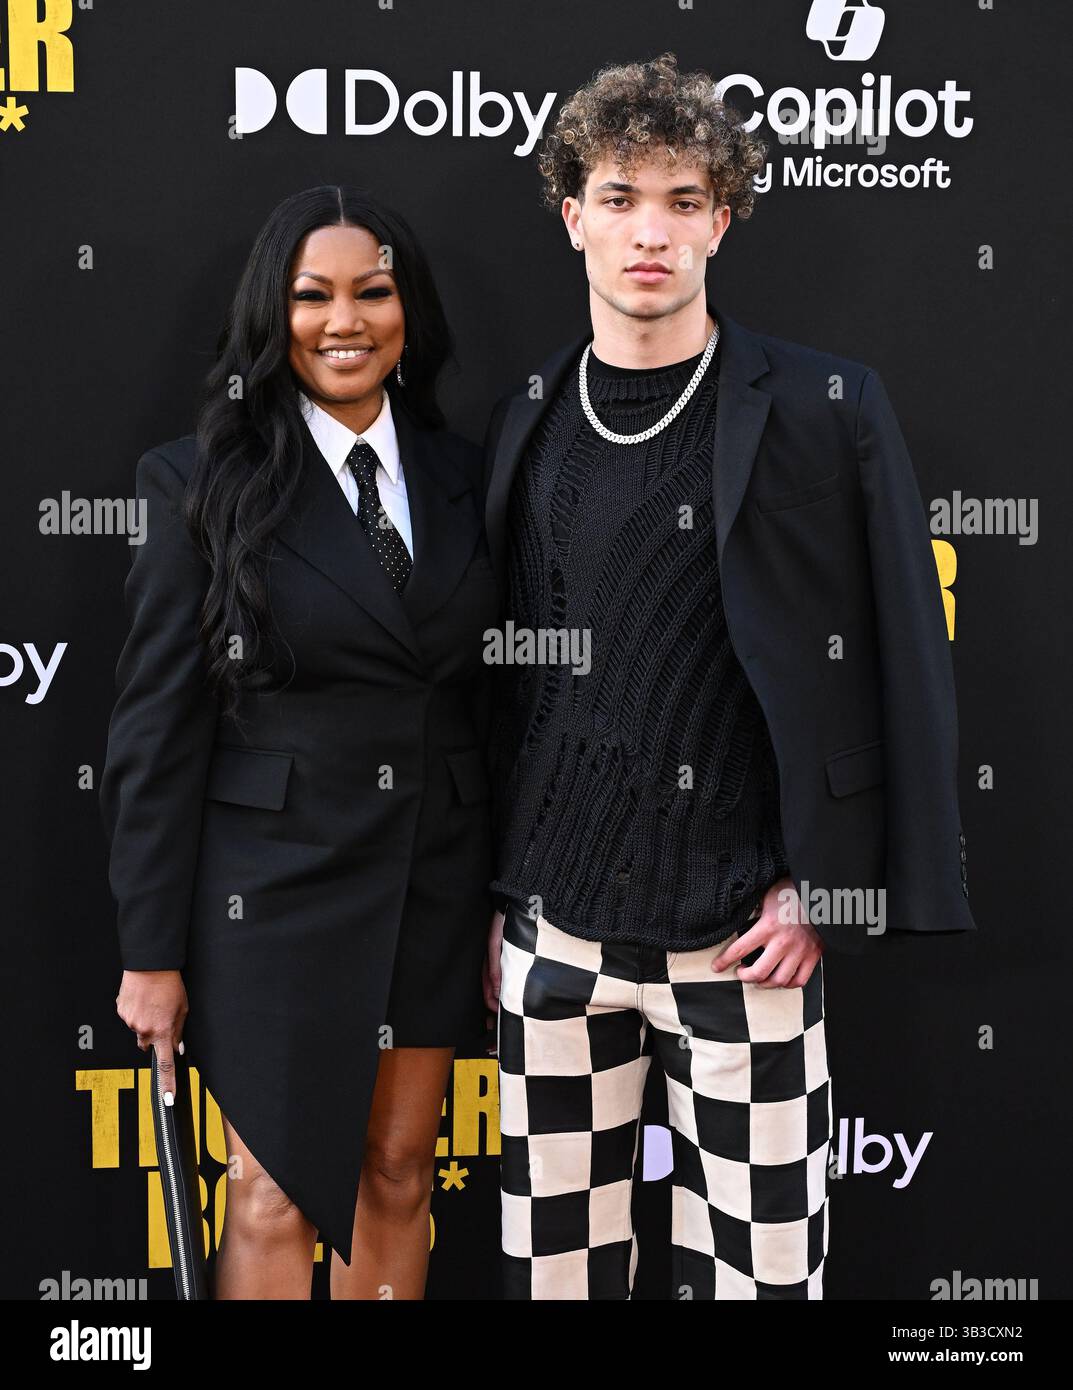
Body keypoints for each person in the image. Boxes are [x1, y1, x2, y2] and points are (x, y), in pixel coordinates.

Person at [480, 53, 976, 1300]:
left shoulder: (824, 405)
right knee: (554, 1278)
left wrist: (832, 886)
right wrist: (500, 895)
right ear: (570, 213)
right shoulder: (527, 413)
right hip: (554, 941)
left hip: (744, 942)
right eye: (618, 194)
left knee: (760, 1279)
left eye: (684, 199)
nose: (649, 229)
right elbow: (502, 677)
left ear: (722, 217)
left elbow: (901, 663)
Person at [99, 185, 499, 1299]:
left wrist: (511, 894)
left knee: (400, 1169)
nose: (344, 320)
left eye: (372, 292)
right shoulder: (198, 482)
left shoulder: (472, 476)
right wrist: (149, 952)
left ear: (407, 310)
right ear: (272, 318)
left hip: (433, 873)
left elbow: (493, 705)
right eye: (311, 295)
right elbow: (154, 732)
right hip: (268, 892)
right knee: (268, 1191)